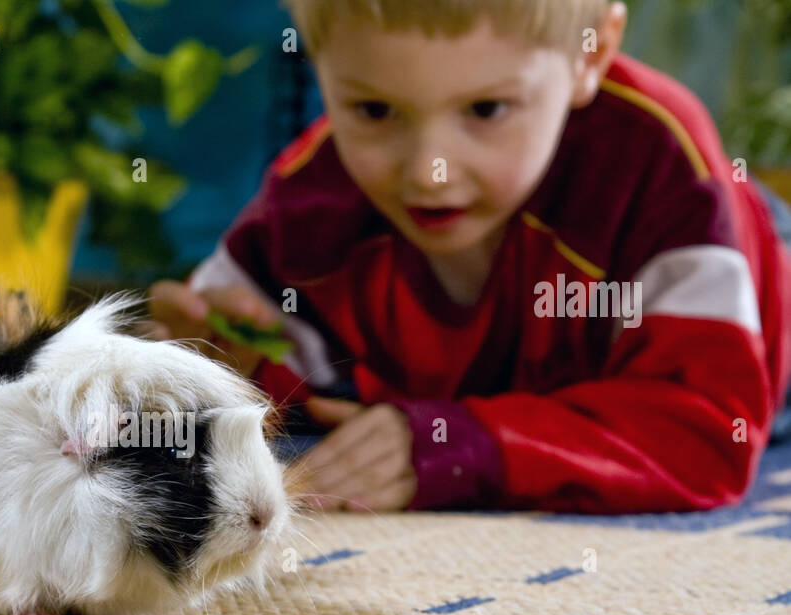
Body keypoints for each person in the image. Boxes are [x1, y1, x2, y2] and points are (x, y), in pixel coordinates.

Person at [145, 0, 791, 515]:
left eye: (486, 109)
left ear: (590, 53)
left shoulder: (667, 171)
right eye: (374, 110)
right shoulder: (311, 197)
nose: (430, 173)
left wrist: (464, 444)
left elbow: (706, 434)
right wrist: (227, 365)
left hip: (764, 278)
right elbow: (274, 371)